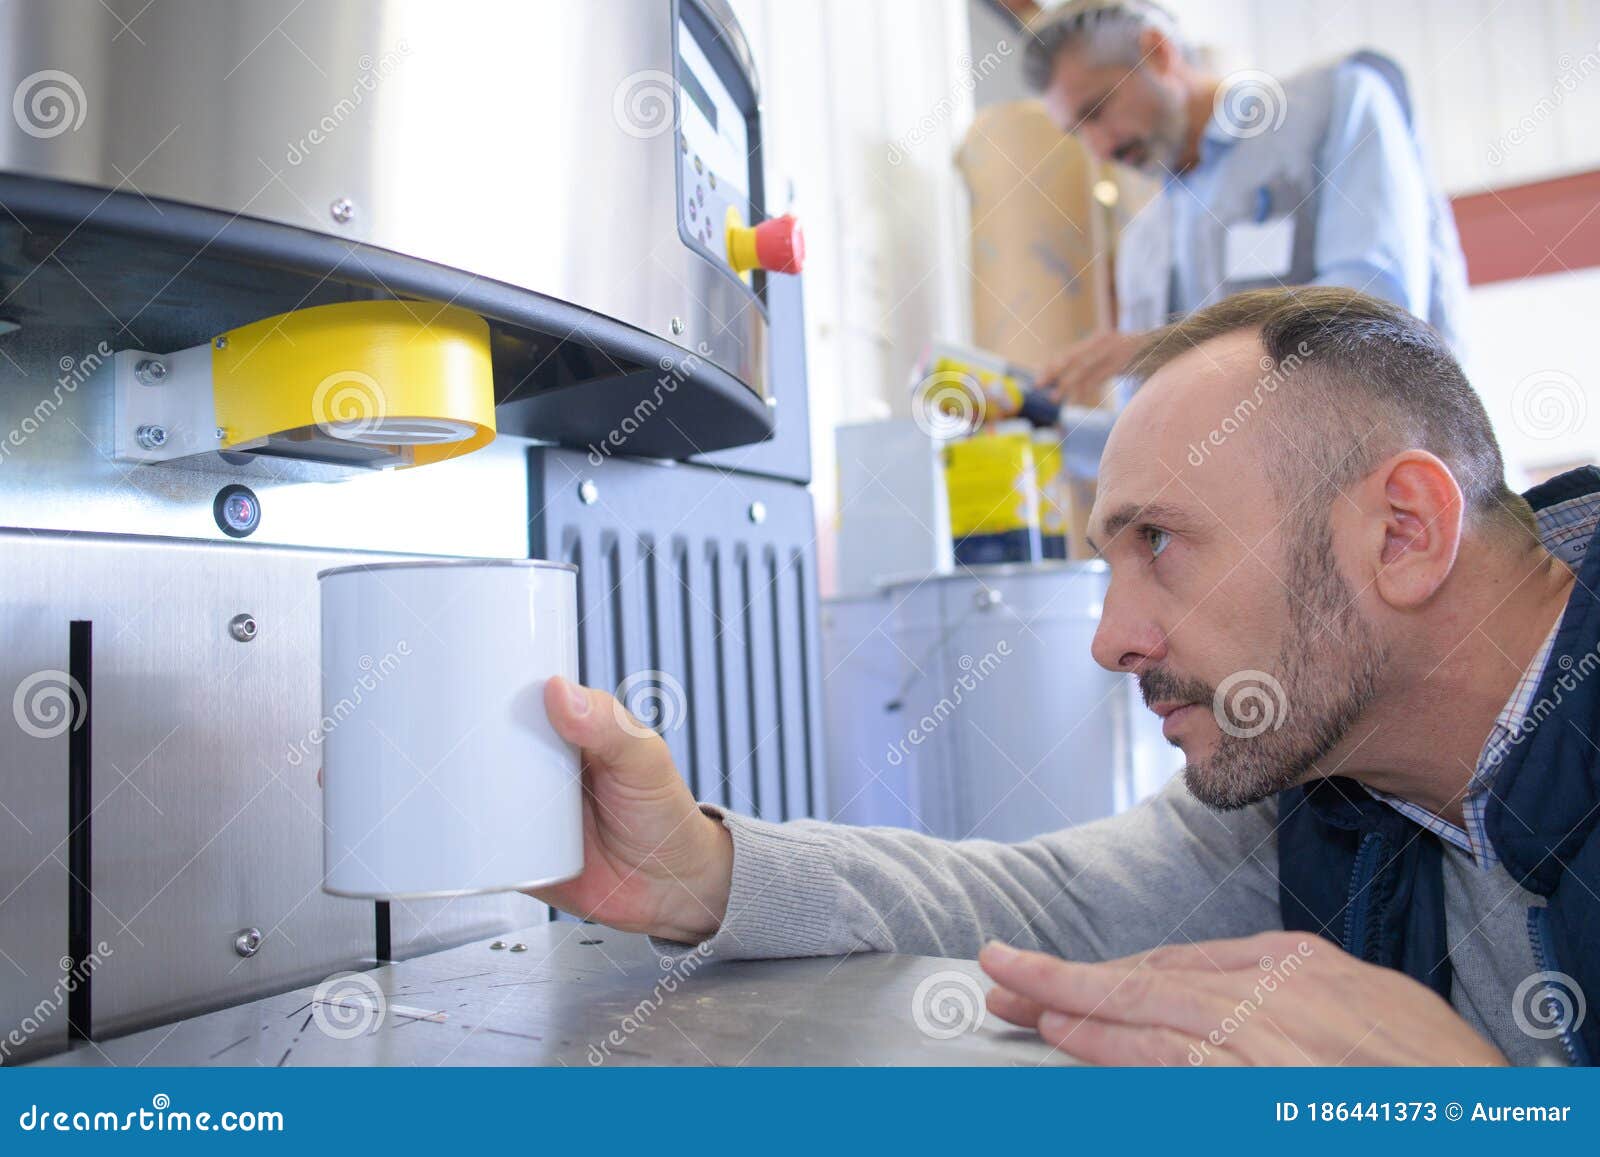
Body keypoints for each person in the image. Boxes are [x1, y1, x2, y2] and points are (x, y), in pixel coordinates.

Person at [532, 287, 1599, 1066]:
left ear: (1403, 532)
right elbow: (1054, 901)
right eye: (1107, 560)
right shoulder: (1315, 786)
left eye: (1161, 542)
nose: (1110, 640)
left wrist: (1460, 1107)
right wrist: (704, 871)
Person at [1013, 0, 1467, 414]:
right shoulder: (1143, 241)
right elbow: (1149, 433)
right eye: (1077, 132)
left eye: (1098, 110)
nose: (1098, 148)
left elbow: (1374, 310)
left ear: (1158, 53)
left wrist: (1164, 347)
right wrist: (1036, 416)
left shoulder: (1334, 103)